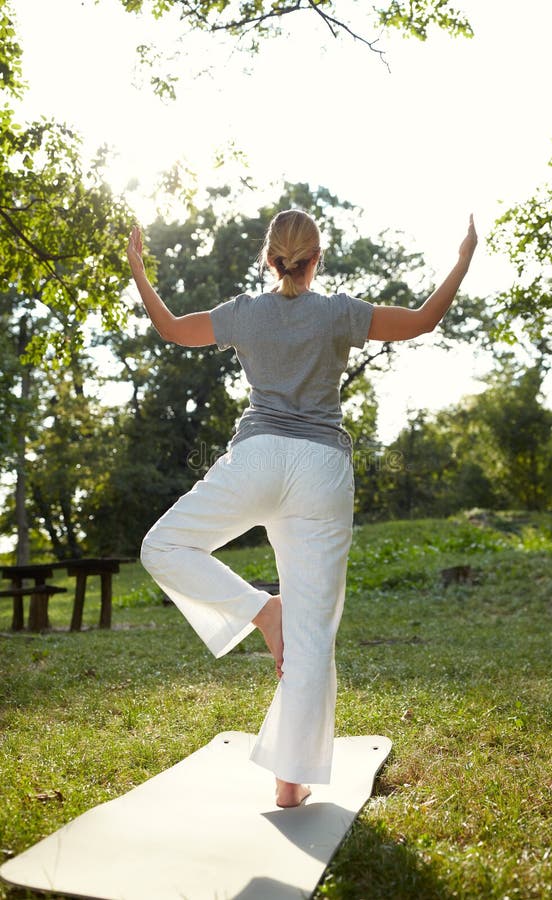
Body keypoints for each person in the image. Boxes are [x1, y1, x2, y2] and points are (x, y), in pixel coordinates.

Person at [127, 208, 477, 808]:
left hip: (258, 457)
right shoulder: (339, 311)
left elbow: (173, 329)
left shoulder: (244, 313)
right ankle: (290, 782)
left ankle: (262, 611)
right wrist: (463, 258)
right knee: (312, 632)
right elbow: (423, 319)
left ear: (270, 259)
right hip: (322, 471)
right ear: (317, 258)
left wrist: (139, 268)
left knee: (163, 546)